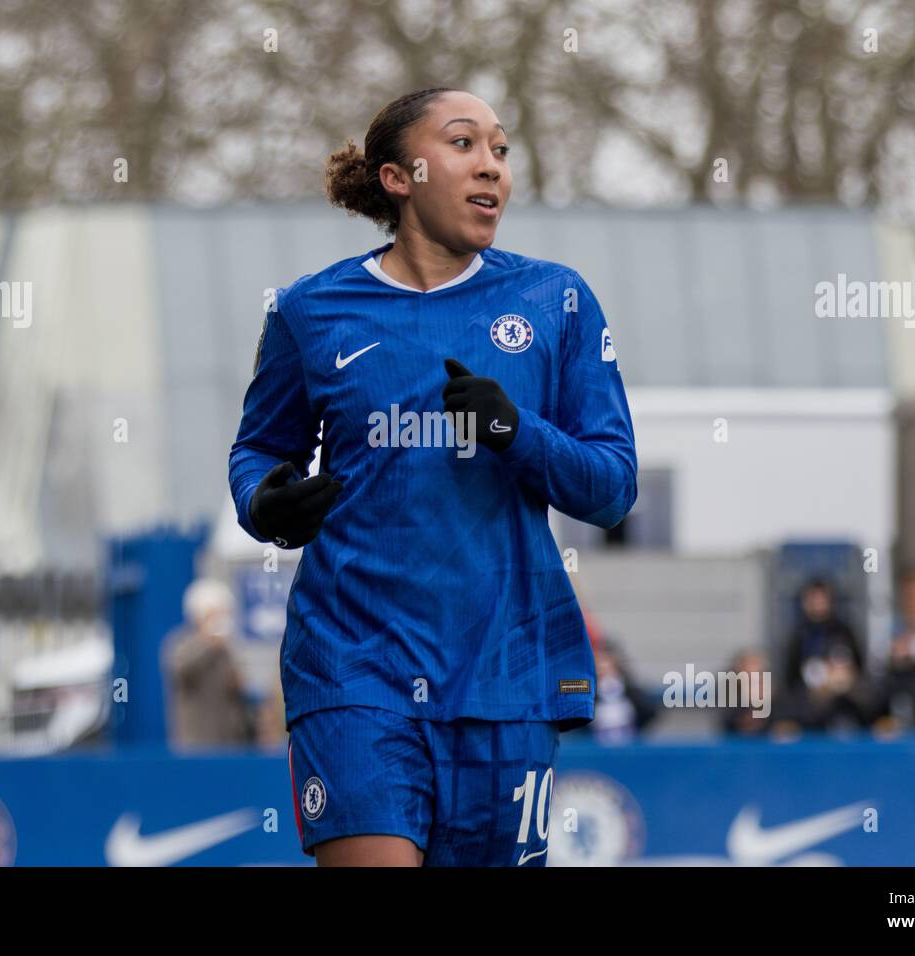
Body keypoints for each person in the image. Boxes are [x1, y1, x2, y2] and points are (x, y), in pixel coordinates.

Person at [228, 88, 638, 866]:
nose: (491, 166)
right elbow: (257, 452)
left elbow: (612, 486)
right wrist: (267, 502)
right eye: (464, 144)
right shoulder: (311, 311)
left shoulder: (556, 301)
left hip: (505, 676)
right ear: (398, 176)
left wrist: (517, 433)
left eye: (501, 149)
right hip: (354, 669)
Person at [161, 578, 255, 749]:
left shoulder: (227, 648)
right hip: (195, 745)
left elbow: (239, 686)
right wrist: (207, 643)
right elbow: (182, 670)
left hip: (230, 744)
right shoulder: (180, 643)